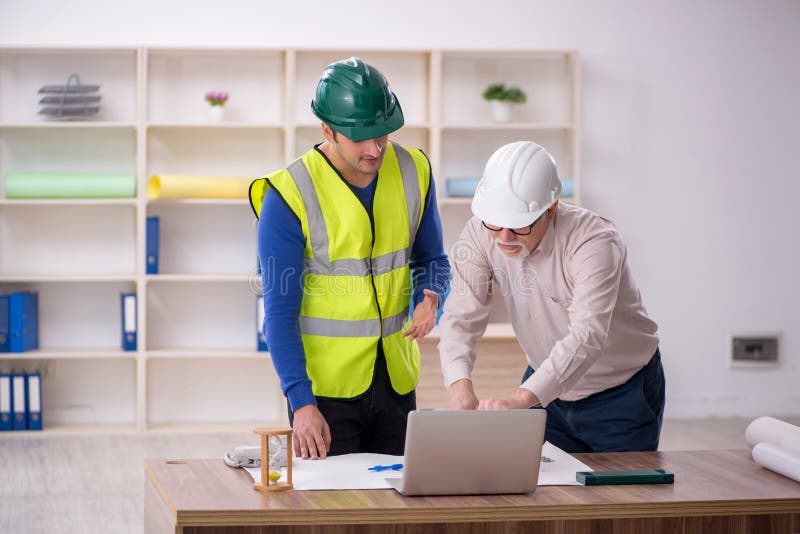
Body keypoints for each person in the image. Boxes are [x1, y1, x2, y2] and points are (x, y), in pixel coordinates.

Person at [250, 57, 450, 460]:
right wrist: (301, 403)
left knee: (398, 496)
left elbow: (434, 260)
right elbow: (278, 314)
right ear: (328, 130)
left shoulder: (414, 170)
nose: (375, 149)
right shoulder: (288, 194)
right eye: (360, 138)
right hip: (325, 394)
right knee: (333, 499)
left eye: (382, 134)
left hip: (397, 382)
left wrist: (431, 298)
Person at [438, 141, 664, 453]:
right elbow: (460, 317)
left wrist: (521, 399)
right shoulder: (478, 233)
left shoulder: (594, 242)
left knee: (619, 486)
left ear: (551, 208)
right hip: (545, 389)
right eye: (495, 222)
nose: (504, 237)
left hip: (621, 395)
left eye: (519, 225)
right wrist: (459, 387)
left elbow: (587, 336)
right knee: (539, 482)